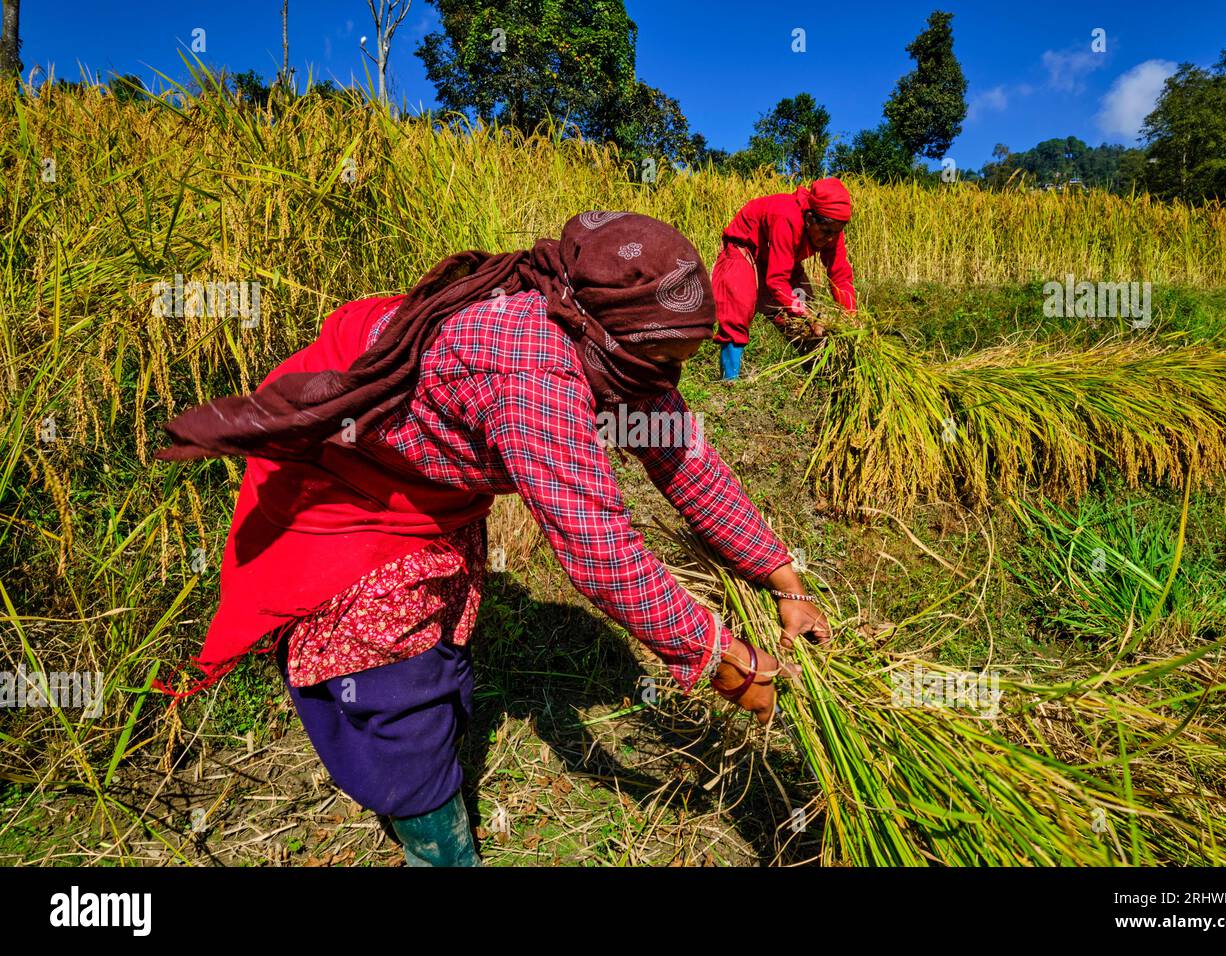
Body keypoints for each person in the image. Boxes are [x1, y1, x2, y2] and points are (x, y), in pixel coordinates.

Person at [151, 211, 832, 867]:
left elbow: (683, 459)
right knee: (389, 676)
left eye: (683, 359)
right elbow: (600, 551)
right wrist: (724, 661)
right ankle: (436, 842)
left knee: (438, 639)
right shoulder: (536, 374)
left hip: (429, 481)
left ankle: (433, 756)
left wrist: (780, 577)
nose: (670, 379)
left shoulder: (619, 344)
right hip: (343, 479)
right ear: (611, 335)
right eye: (665, 358)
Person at [711, 177, 858, 381]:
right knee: (739, 304)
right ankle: (730, 382)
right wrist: (809, 315)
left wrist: (850, 316)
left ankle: (820, 376)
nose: (831, 239)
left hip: (779, 257)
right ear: (809, 219)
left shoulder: (832, 228)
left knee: (805, 311)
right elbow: (777, 280)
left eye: (836, 233)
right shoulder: (786, 217)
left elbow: (840, 275)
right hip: (745, 250)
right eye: (826, 232)